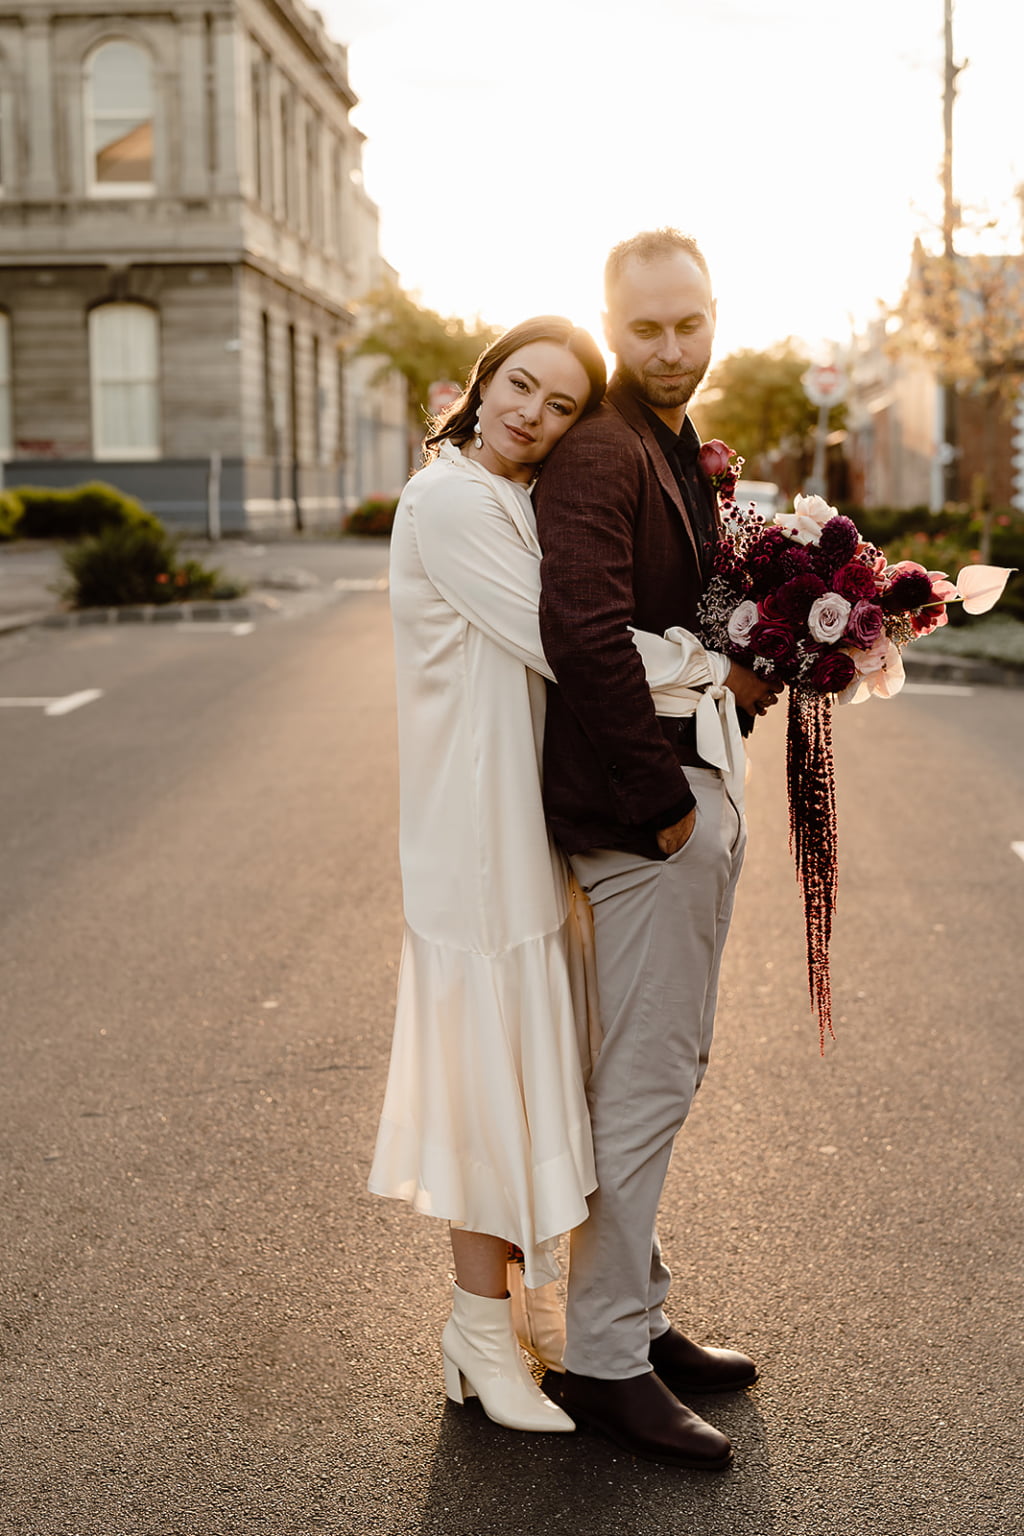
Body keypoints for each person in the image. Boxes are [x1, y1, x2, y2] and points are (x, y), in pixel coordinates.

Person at [368, 315, 736, 1437]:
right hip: (472, 837)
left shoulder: (502, 496)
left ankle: (538, 1320)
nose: (532, 413)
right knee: (492, 1083)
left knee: (540, 1077)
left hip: (517, 823)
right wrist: (713, 663)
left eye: (561, 404)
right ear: (482, 384)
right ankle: (480, 1338)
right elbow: (563, 635)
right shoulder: (448, 503)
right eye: (520, 385)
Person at [534, 230, 781, 1470]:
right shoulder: (600, 447)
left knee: (661, 1068)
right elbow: (579, 632)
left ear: (714, 314)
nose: (671, 348)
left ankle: (638, 1312)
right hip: (644, 817)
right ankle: (603, 1363)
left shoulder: (673, 443)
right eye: (644, 329)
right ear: (610, 325)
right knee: (643, 1082)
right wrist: (662, 807)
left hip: (684, 792)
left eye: (688, 323)